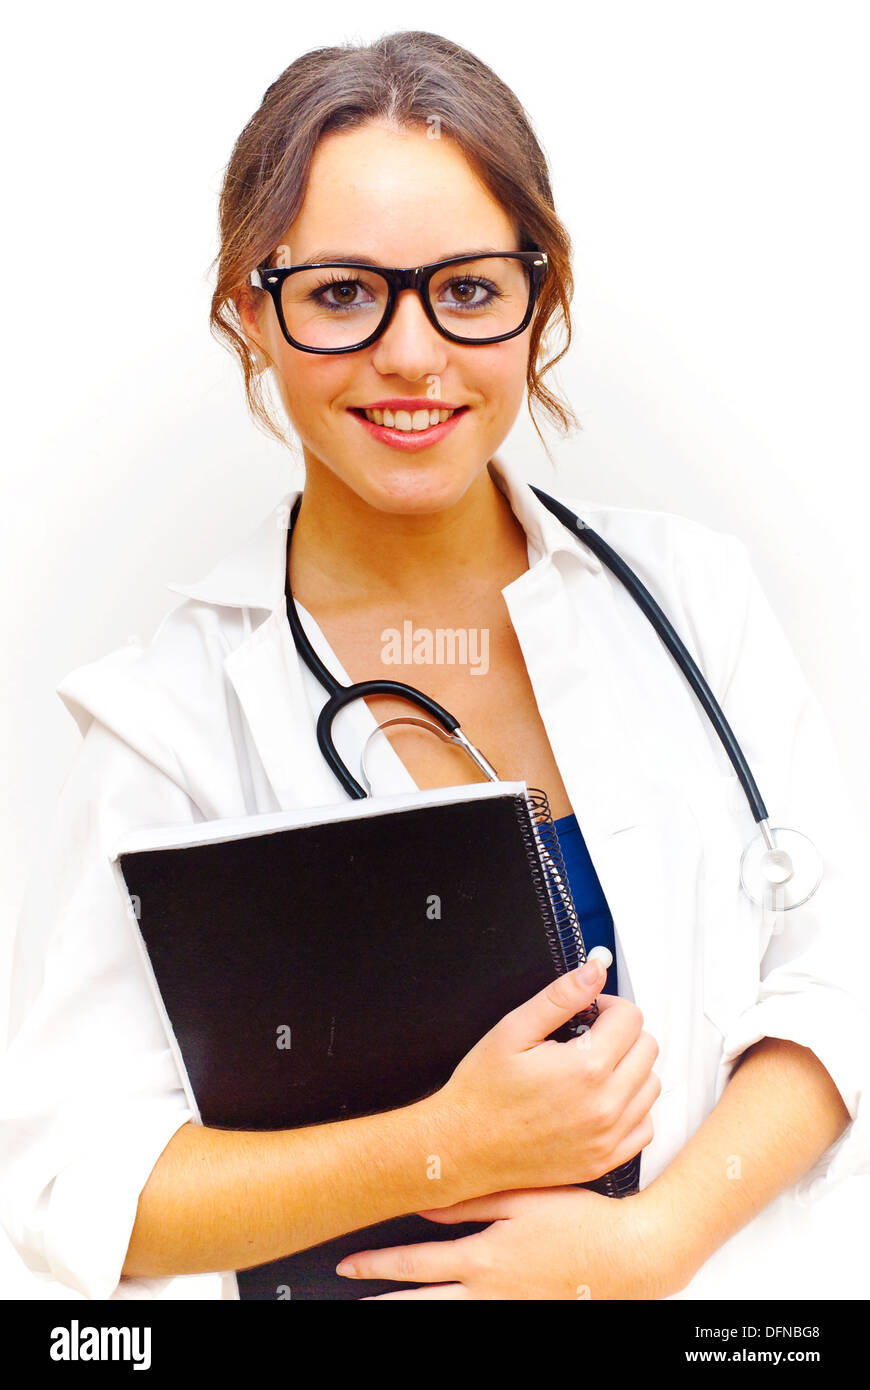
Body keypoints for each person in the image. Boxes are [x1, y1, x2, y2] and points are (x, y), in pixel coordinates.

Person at [1, 31, 867, 1302]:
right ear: (254, 311)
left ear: (540, 297)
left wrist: (643, 1249)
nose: (412, 355)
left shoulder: (699, 601)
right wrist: (447, 1142)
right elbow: (74, 1192)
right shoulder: (166, 717)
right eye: (343, 291)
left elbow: (836, 975)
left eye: (467, 289)